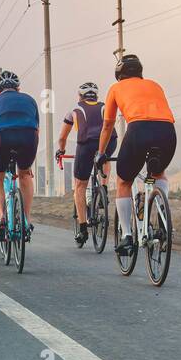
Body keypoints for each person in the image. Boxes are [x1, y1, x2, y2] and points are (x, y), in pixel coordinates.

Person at [94, 54, 177, 256]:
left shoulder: (115, 88)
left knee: (124, 180)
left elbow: (107, 124)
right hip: (167, 131)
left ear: (119, 74)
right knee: (158, 174)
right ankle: (163, 220)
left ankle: (127, 237)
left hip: (139, 129)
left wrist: (101, 153)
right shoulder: (155, 85)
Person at [0, 69, 38, 238]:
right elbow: (36, 130)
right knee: (24, 175)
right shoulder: (30, 100)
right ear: (18, 89)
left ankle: (1, 218)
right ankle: (26, 219)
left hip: (3, 136)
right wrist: (28, 161)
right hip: (28, 137)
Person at [56, 82, 105, 247]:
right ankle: (103, 187)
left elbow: (63, 137)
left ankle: (83, 229)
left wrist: (61, 151)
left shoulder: (74, 109)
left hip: (86, 144)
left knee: (80, 185)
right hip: (108, 142)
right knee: (104, 155)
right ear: (96, 96)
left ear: (80, 96)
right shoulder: (105, 107)